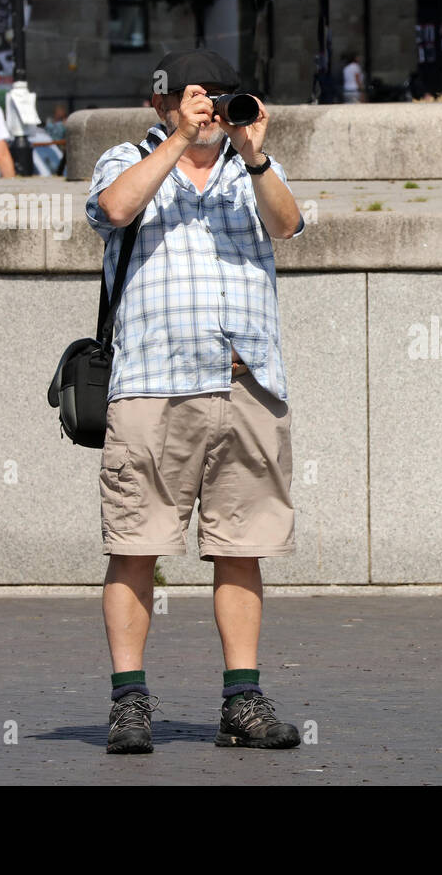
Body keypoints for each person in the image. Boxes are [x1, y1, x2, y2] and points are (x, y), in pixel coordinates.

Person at [85, 49, 306, 755]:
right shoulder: (126, 156)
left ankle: (242, 700)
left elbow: (288, 225)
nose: (211, 108)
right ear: (161, 103)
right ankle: (129, 703)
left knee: (243, 548)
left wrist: (258, 156)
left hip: (245, 381)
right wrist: (179, 138)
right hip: (152, 382)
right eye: (195, 96)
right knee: (135, 546)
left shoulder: (250, 170)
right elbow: (115, 209)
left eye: (222, 97)